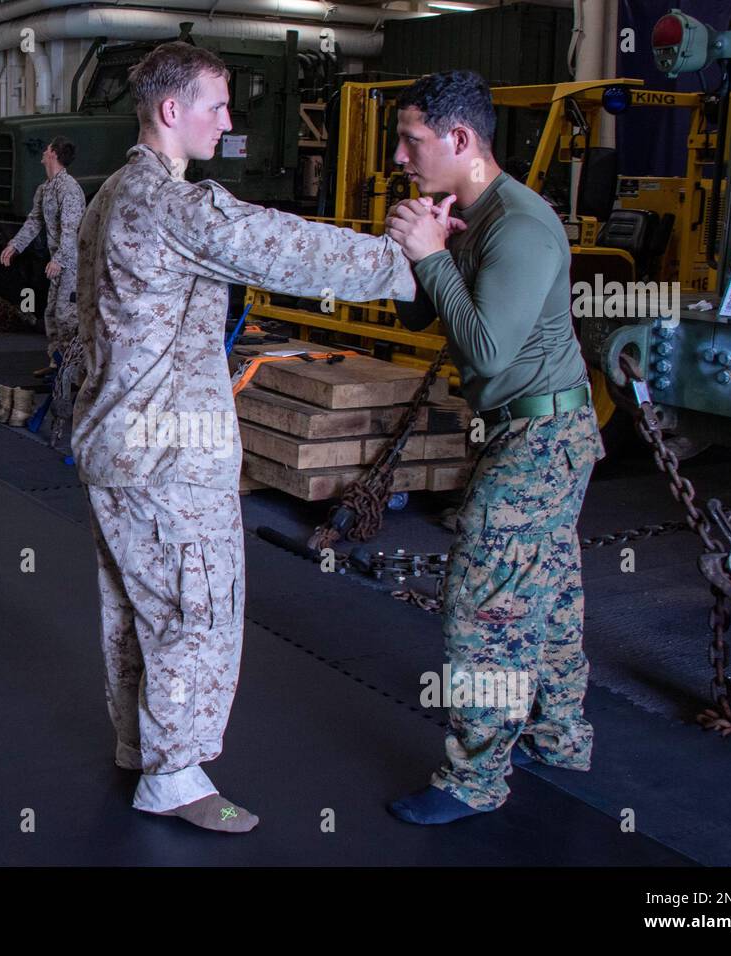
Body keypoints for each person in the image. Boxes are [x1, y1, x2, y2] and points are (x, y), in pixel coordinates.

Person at [72, 42, 418, 833]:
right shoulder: (173, 204)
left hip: (112, 445)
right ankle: (175, 775)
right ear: (171, 111)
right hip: (166, 460)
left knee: (135, 608)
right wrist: (403, 263)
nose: (228, 123)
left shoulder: (105, 201)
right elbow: (283, 245)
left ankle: (139, 746)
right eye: (217, 107)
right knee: (196, 613)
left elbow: (71, 317)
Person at [383, 70, 604, 825]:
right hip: (527, 430)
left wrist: (433, 256)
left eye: (414, 141)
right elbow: (426, 324)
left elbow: (482, 352)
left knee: (487, 603)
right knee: (551, 594)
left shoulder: (521, 224)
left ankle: (475, 782)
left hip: (544, 432)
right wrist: (420, 249)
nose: (403, 156)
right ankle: (561, 737)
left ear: (462, 140)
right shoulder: (471, 218)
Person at [0, 135, 87, 371]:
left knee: (66, 316)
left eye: (46, 149)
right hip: (57, 263)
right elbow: (34, 221)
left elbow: (72, 228)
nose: (43, 152)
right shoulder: (45, 189)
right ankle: (57, 363)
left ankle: (73, 370)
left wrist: (59, 259)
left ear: (54, 154)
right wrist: (15, 245)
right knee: (51, 313)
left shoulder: (69, 189)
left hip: (71, 264)